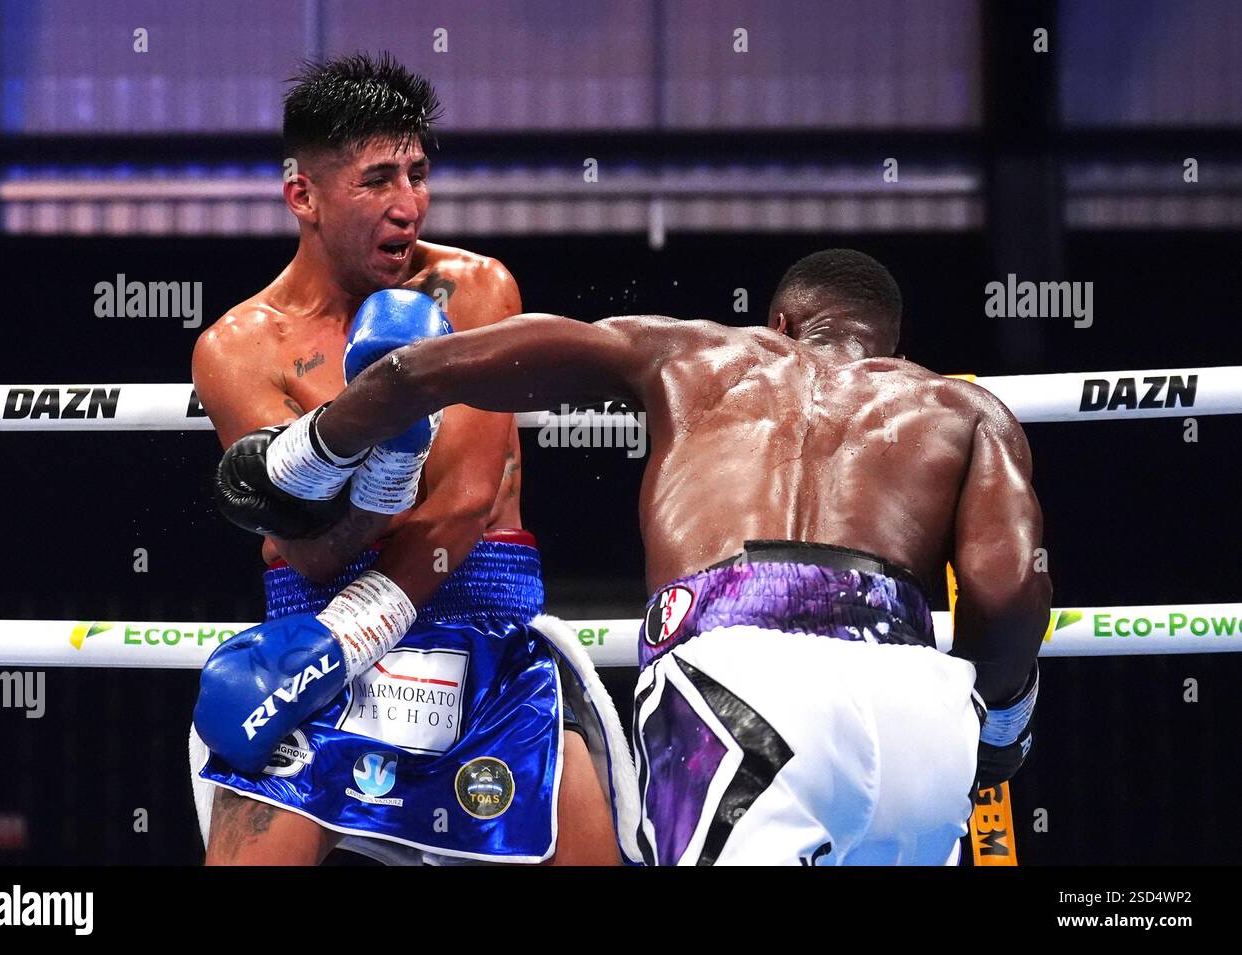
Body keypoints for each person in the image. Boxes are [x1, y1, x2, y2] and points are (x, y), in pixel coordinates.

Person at [289, 247, 1052, 865]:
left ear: (779, 322)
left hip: (746, 690)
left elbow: (545, 350)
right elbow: (1008, 586)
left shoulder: (704, 352)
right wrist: (998, 726)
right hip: (917, 700)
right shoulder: (963, 407)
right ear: (891, 347)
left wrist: (384, 390)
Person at [188, 52, 629, 866]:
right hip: (313, 643)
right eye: (378, 179)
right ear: (303, 196)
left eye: (418, 173)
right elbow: (312, 543)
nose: (409, 206)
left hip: (480, 630)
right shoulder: (238, 348)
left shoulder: (473, 290)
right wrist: (328, 642)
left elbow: (463, 501)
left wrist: (352, 628)